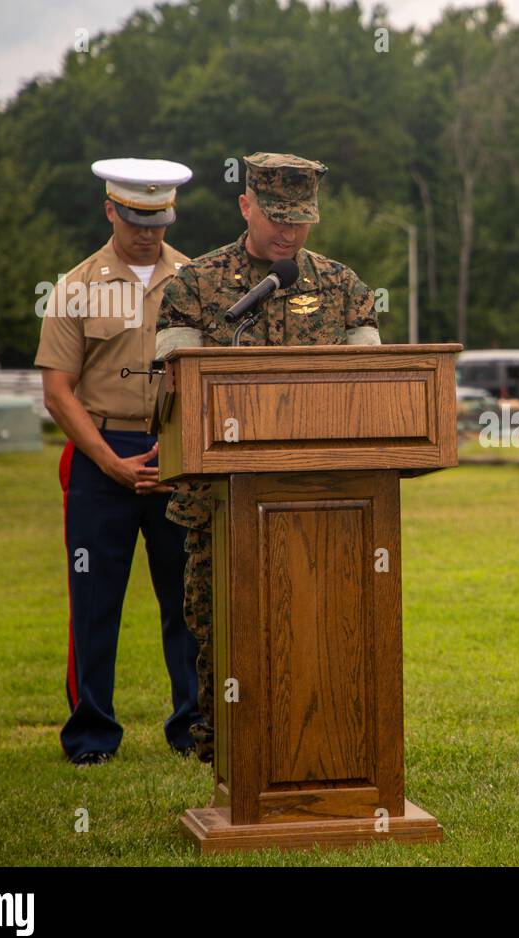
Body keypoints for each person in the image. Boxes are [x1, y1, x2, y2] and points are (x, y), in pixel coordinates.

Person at [155, 152, 381, 762]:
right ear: (245, 205)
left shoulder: (343, 287)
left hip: (325, 499)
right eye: (276, 217)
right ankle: (225, 748)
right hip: (221, 499)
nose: (288, 231)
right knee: (220, 624)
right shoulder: (193, 285)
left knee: (321, 623)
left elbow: (372, 385)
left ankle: (327, 735)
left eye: (301, 220)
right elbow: (170, 393)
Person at [35, 157, 201, 765]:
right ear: (110, 210)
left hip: (175, 451)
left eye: (158, 220)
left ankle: (193, 728)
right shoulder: (75, 286)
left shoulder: (194, 280)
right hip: (98, 454)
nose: (147, 232)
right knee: (94, 600)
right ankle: (92, 735)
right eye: (135, 218)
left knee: (187, 598)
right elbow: (58, 391)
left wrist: (181, 449)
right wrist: (109, 462)